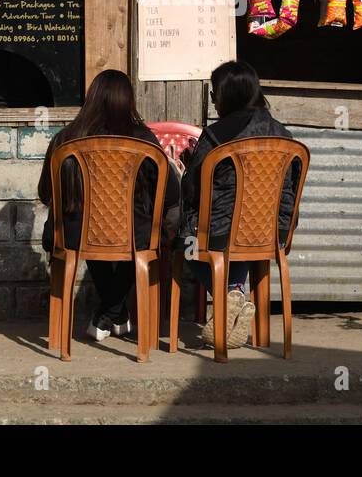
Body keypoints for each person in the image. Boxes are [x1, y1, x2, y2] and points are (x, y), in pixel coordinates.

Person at [37, 69, 178, 342]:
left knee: (91, 231)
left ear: (92, 98)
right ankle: (116, 312)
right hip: (134, 234)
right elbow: (170, 195)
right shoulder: (143, 139)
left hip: (74, 233)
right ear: (128, 100)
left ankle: (111, 312)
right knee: (137, 236)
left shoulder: (65, 138)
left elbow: (46, 192)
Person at [174, 60, 300, 348]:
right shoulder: (284, 135)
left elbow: (193, 190)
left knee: (185, 241)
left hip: (221, 232)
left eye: (214, 94)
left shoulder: (217, 135)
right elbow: (289, 189)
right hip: (272, 233)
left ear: (226, 95)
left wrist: (187, 167)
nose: (214, 101)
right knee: (241, 233)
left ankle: (231, 290)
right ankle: (237, 297)